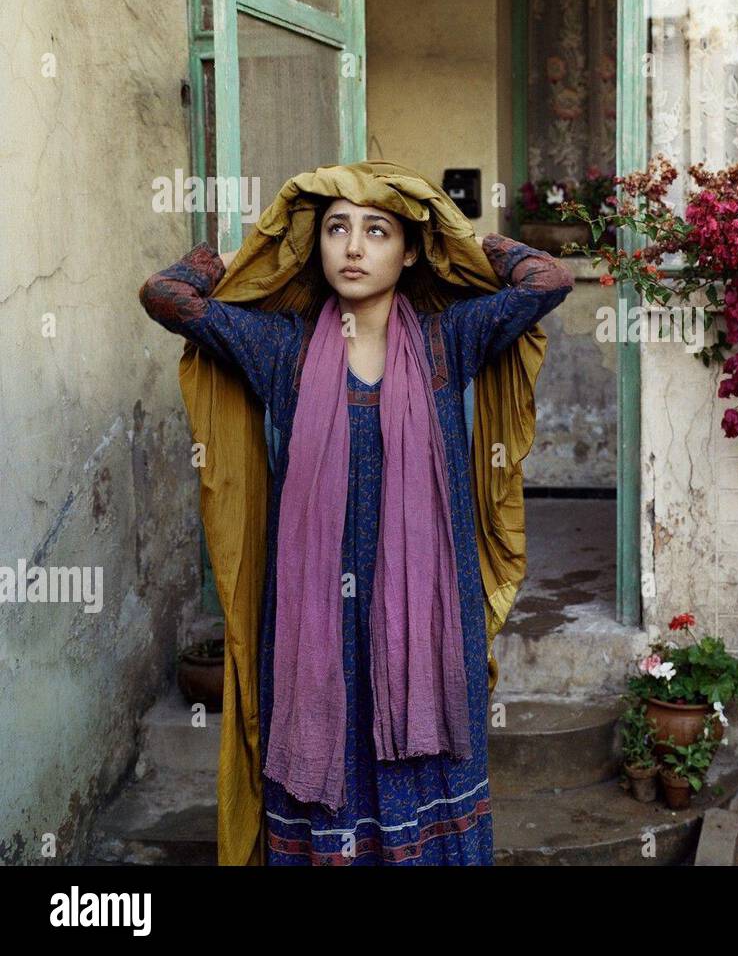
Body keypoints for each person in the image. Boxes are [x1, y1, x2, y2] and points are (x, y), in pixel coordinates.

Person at [139, 162, 574, 865]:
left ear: (408, 253)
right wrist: (212, 262)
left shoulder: (445, 342)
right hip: (315, 618)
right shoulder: (282, 350)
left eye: (377, 231)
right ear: (316, 246)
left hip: (427, 613)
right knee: (324, 765)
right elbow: (163, 296)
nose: (352, 246)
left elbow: (547, 282)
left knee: (422, 764)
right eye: (337, 229)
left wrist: (474, 242)